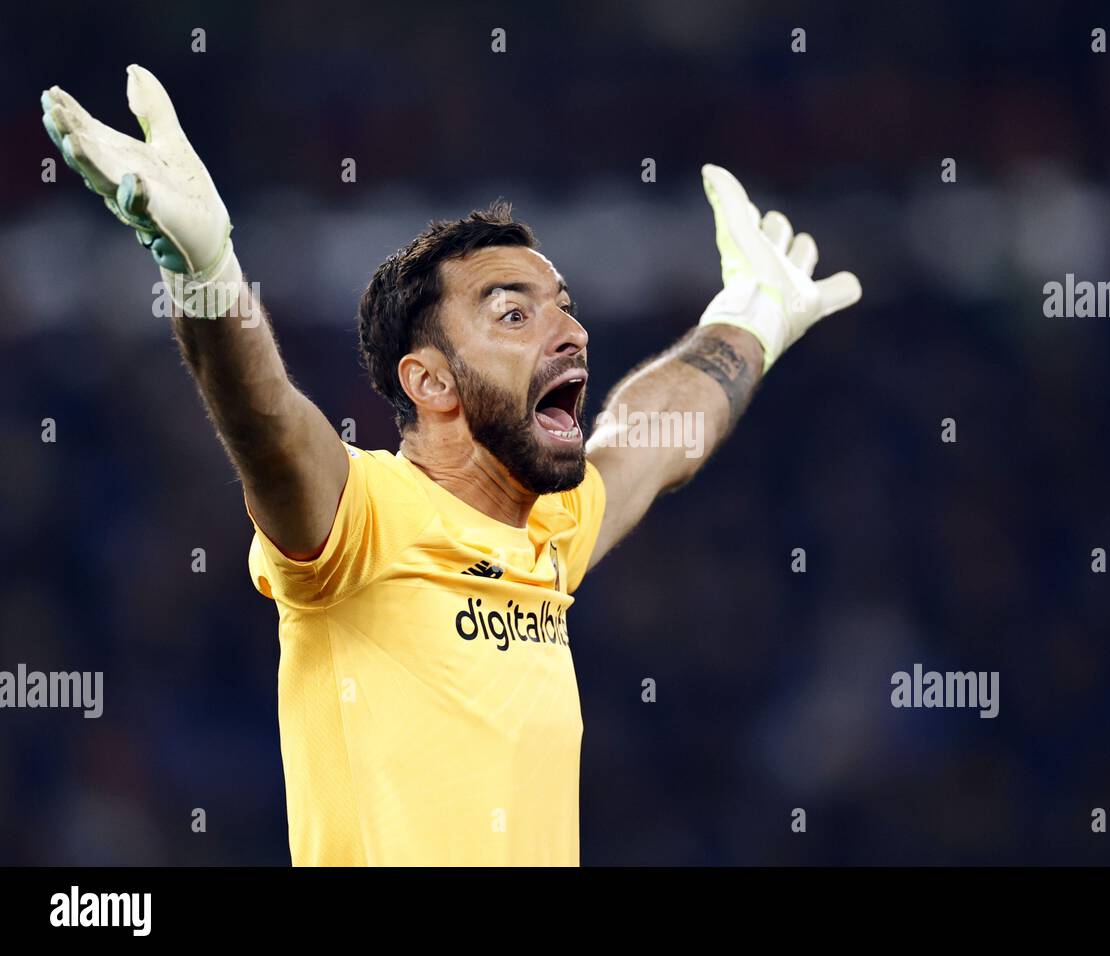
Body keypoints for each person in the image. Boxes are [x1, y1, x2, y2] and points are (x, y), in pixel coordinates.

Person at [41, 64, 862, 865]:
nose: (570, 334)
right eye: (513, 313)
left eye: (564, 311)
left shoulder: (551, 529)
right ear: (428, 380)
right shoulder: (365, 519)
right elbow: (267, 425)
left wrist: (751, 316)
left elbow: (656, 434)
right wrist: (207, 272)